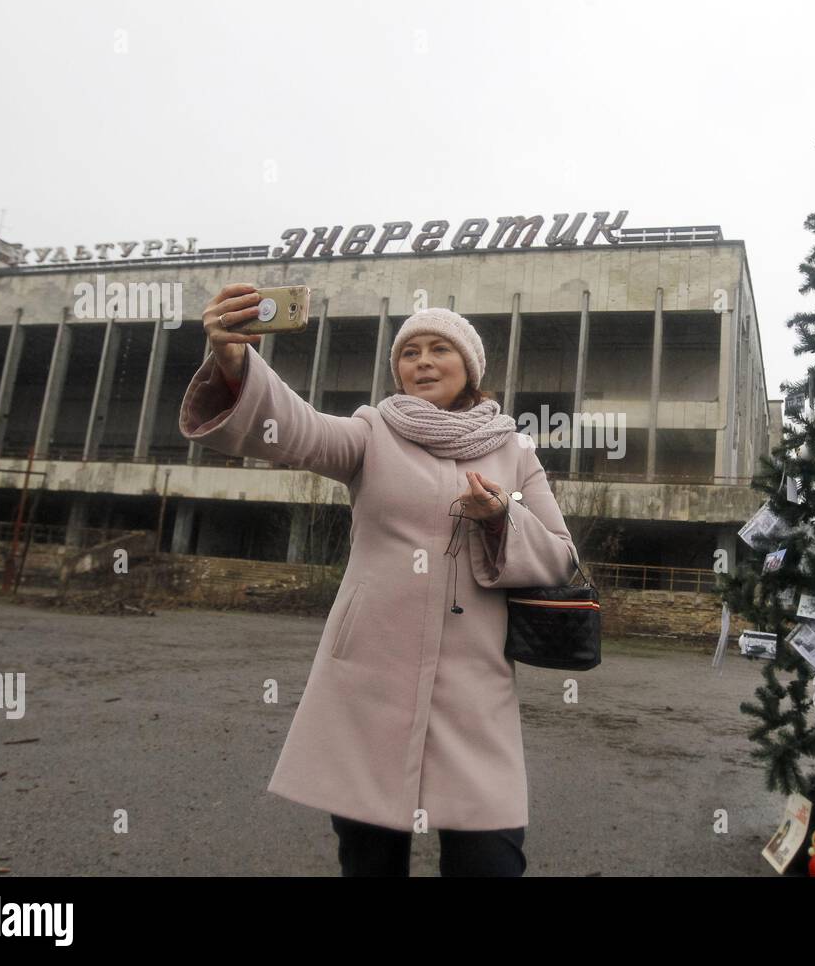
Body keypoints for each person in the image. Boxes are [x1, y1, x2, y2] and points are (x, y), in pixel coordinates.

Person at [178, 284, 580, 876]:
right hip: (369, 679)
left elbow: (560, 559)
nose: (421, 361)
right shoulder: (372, 432)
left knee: (490, 860)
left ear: (468, 366)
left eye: (438, 348)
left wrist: (502, 519)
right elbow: (297, 429)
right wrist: (237, 364)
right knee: (368, 861)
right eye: (409, 351)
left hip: (476, 689)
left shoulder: (514, 452)